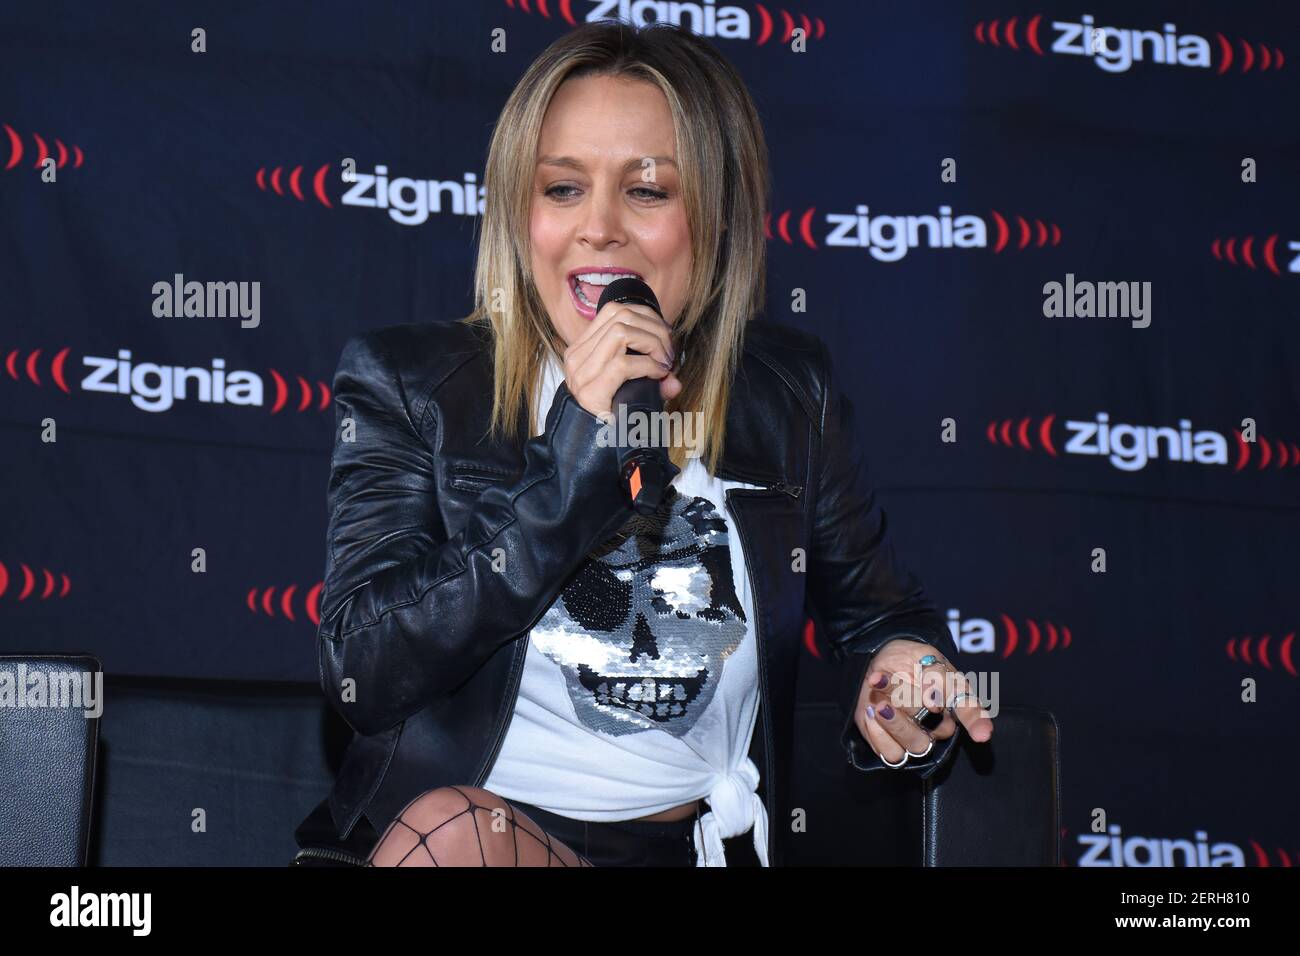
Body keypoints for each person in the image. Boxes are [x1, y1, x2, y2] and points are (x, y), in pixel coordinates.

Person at [291, 20, 993, 869]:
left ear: (718, 215)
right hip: (472, 846)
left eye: (648, 191)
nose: (599, 228)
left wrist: (902, 671)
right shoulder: (413, 382)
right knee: (456, 832)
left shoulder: (785, 392)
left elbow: (882, 617)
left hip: (694, 850)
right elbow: (364, 667)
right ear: (521, 213)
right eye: (562, 189)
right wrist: (579, 452)